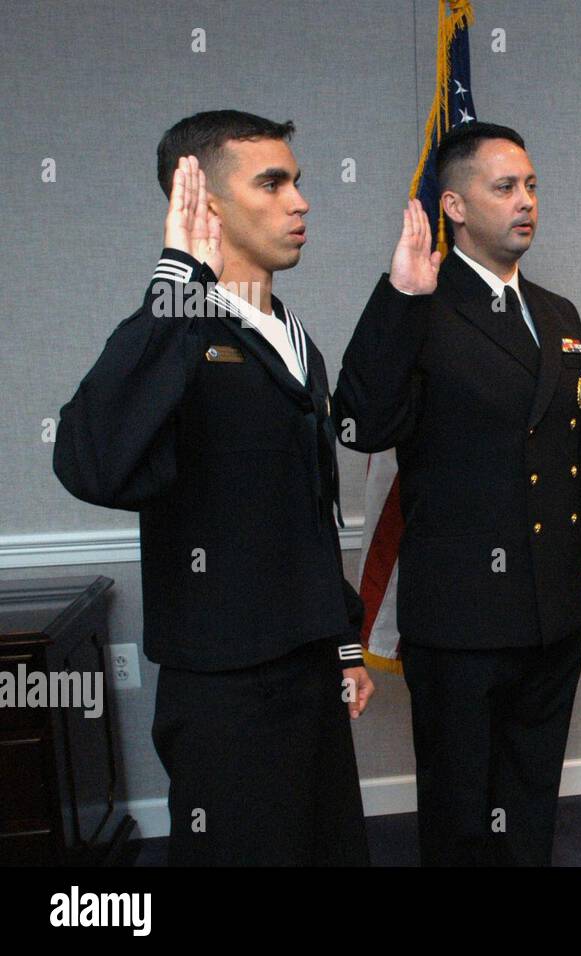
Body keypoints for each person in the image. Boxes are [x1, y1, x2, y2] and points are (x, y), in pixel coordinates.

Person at [53, 111, 372, 865]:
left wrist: (344, 645)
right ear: (206, 204)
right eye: (273, 182)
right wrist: (177, 278)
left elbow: (313, 512)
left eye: (298, 181)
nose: (301, 201)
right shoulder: (175, 332)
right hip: (225, 687)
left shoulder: (299, 343)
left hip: (309, 671)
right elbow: (91, 461)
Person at [334, 122, 581, 866]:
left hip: (552, 609)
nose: (526, 202)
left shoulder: (559, 314)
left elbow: (580, 446)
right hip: (460, 619)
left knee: (529, 795)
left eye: (531, 187)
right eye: (504, 188)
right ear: (453, 206)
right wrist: (398, 297)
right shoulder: (420, 304)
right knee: (461, 813)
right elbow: (360, 423)